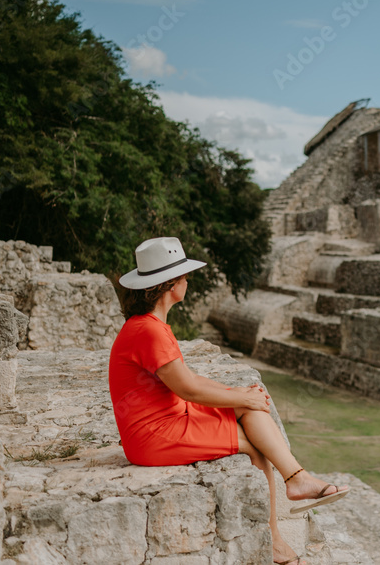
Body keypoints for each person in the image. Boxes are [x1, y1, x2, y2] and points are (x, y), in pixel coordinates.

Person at [109, 237, 348, 565]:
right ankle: (277, 538)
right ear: (169, 285)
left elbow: (190, 380)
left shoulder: (148, 326)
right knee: (251, 445)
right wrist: (239, 396)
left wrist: (240, 394)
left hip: (167, 419)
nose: (188, 282)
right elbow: (189, 389)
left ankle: (297, 479)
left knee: (249, 403)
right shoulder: (149, 331)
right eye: (184, 277)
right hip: (153, 435)